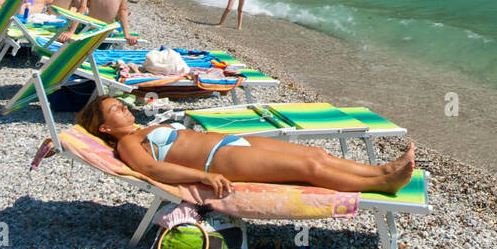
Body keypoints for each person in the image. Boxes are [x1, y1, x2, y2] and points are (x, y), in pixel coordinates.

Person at [78, 95, 416, 195]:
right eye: (115, 109)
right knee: (308, 169)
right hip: (218, 162)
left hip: (229, 142)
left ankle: (380, 170)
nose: (123, 107)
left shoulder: (141, 128)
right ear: (106, 126)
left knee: (316, 153)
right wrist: (202, 177)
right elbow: (153, 169)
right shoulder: (128, 144)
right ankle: (382, 184)